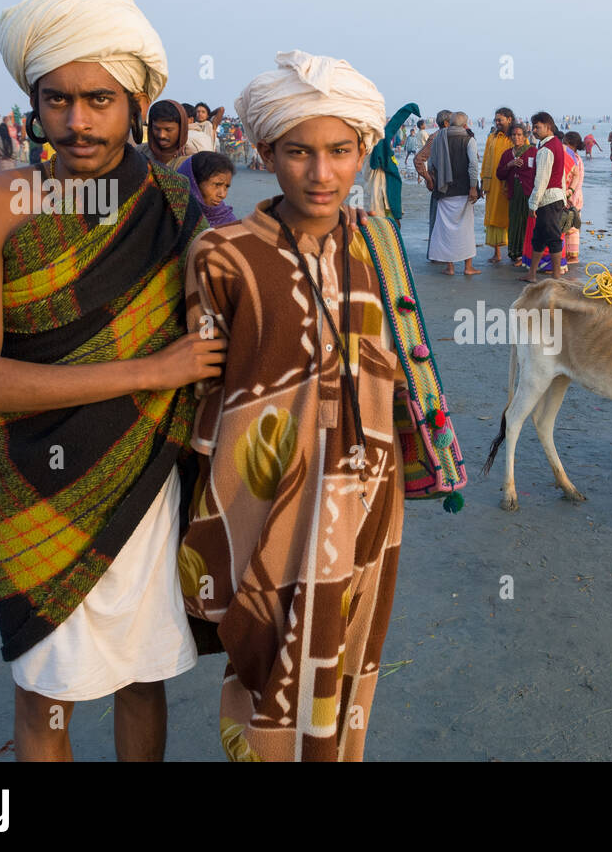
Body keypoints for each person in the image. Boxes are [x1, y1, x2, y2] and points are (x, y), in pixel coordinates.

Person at [0, 0, 219, 762]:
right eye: (56, 99)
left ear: (135, 101)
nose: (77, 120)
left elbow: (228, 306)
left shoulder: (173, 204)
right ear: (34, 102)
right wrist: (150, 370)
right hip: (36, 487)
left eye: (99, 99)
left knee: (141, 675)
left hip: (145, 483)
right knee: (44, 690)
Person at [182, 49, 423, 761]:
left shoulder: (379, 245)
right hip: (264, 501)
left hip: (370, 498)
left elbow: (399, 371)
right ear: (264, 152)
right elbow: (207, 399)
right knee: (263, 667)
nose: (322, 174)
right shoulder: (221, 255)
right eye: (299, 152)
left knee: (347, 663)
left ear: (363, 153)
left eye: (341, 152)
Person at [427, 111, 482, 275]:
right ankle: (468, 267)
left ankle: (450, 268)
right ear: (465, 125)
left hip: (444, 190)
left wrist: (433, 183)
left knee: (445, 230)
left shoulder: (438, 139)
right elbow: (473, 165)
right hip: (464, 190)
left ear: (449, 123)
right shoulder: (468, 139)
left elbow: (431, 165)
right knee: (466, 229)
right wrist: (473, 187)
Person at [519, 111, 567, 283]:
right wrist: (564, 196)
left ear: (548, 127)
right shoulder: (556, 144)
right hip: (555, 197)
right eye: (533, 127)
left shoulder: (546, 149)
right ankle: (532, 274)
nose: (534, 130)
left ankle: (556, 276)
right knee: (538, 237)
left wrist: (533, 204)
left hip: (548, 199)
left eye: (537, 127)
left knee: (552, 237)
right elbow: (560, 174)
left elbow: (541, 180)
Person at [496, 122, 535, 267]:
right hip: (513, 193)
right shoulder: (507, 154)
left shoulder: (533, 152)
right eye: (513, 135)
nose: (516, 137)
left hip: (528, 193)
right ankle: (515, 253)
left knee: (526, 224)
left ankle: (526, 255)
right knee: (514, 223)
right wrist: (509, 165)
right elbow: (499, 174)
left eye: (519, 135)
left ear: (525, 136)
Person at [414, 109, 451, 257]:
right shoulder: (436, 137)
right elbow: (418, 160)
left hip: (447, 186)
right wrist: (428, 179)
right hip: (439, 185)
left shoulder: (449, 136)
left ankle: (442, 254)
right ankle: (437, 255)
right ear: (447, 123)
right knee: (437, 221)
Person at [480, 107, 513, 264]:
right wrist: (483, 182)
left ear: (509, 119)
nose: (498, 122)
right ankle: (497, 252)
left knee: (512, 217)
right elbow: (486, 161)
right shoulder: (492, 138)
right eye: (496, 120)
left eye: (500, 119)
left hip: (511, 184)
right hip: (493, 184)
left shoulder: (517, 137)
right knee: (493, 216)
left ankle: (515, 253)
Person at [178, 150, 237, 227]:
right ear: (194, 183)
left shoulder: (227, 219)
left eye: (226, 187)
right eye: (217, 185)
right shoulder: (170, 218)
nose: (223, 195)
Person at [144, 99, 190, 169]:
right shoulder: (140, 152)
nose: (161, 135)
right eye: (157, 129)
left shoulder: (190, 159)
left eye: (168, 130)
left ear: (181, 128)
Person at [562, 131, 586, 263]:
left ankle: (573, 256)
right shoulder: (574, 157)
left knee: (572, 228)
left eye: (564, 143)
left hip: (573, 197)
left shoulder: (575, 159)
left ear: (571, 144)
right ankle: (569, 253)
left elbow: (578, 180)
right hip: (572, 196)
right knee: (569, 225)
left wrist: (571, 197)